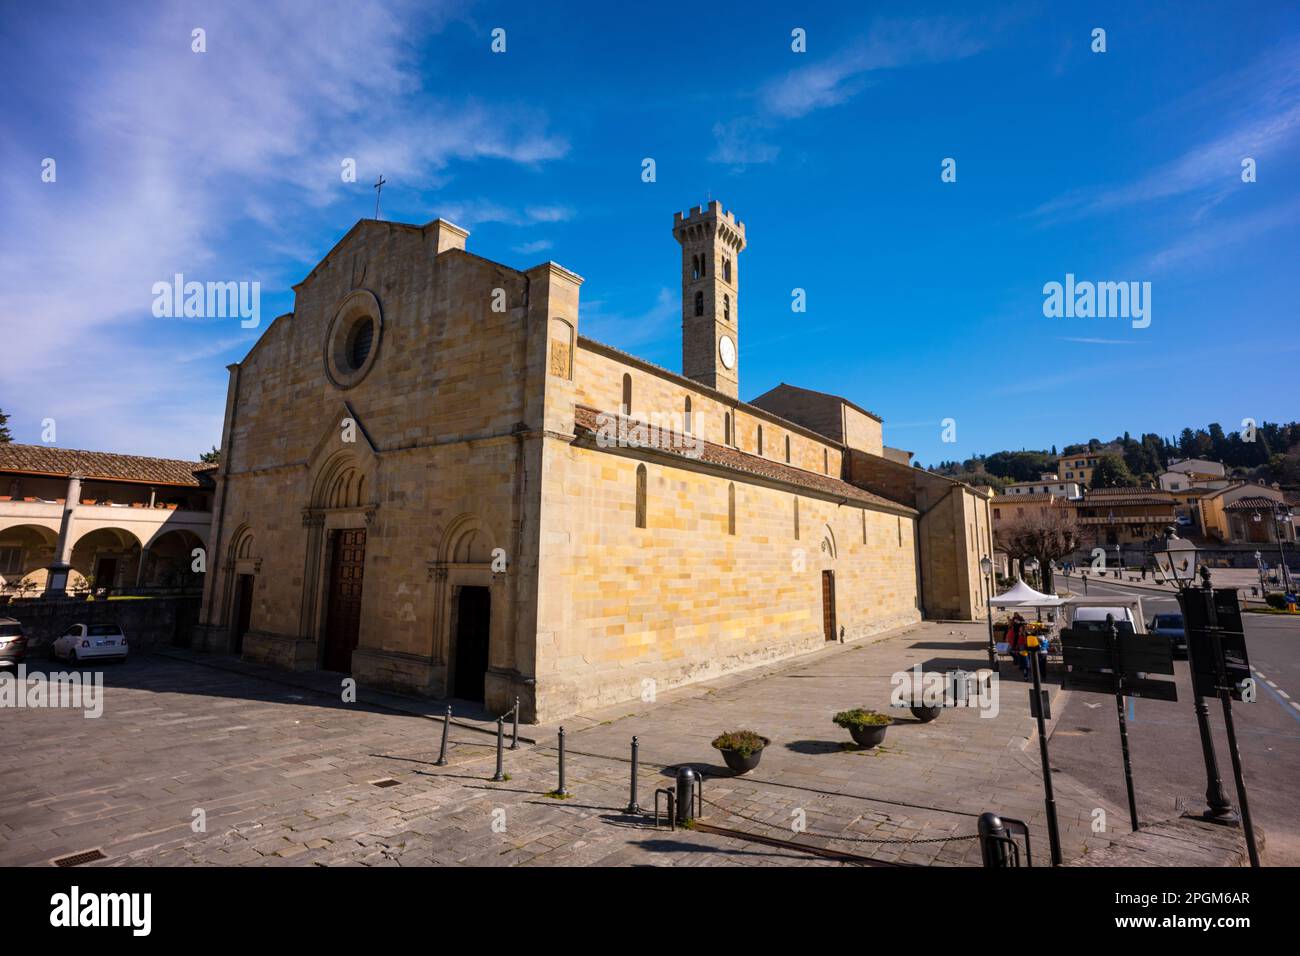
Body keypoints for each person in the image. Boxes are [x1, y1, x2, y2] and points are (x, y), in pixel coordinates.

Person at [1007, 612, 1031, 679]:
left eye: (1015, 615)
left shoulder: (1021, 618)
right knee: (1017, 653)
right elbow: (1011, 623)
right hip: (1017, 637)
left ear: (1017, 614)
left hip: (1022, 645)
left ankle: (1024, 668)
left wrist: (1019, 622)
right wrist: (1009, 619)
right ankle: (1021, 664)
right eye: (1014, 615)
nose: (1014, 616)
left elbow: (1024, 623)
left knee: (1023, 655)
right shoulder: (1014, 619)